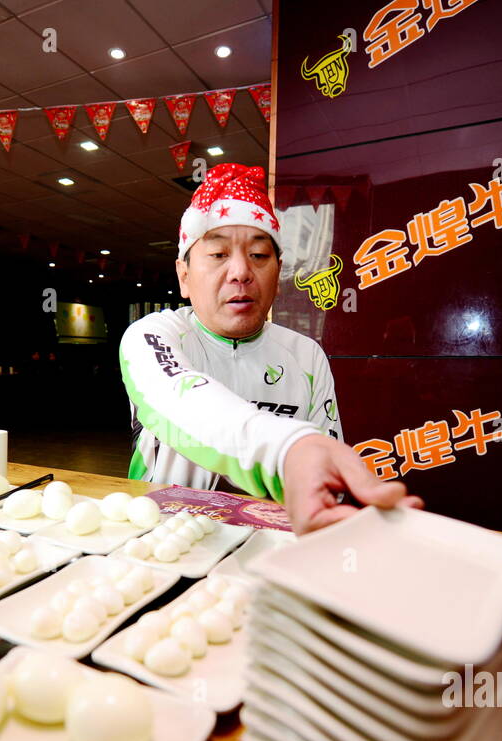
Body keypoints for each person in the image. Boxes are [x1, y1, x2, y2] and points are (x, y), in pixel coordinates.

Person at [119, 163, 422, 535]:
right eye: (217, 255)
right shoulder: (153, 335)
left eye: (259, 256)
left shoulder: (306, 355)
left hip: (269, 545)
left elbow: (324, 471)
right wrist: (287, 448)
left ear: (278, 275)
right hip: (160, 541)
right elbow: (179, 398)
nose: (241, 272)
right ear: (184, 276)